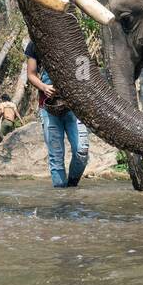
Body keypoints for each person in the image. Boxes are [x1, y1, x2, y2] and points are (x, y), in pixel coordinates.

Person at [24, 38, 89, 188]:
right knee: (56, 155)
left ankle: (72, 186)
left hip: (74, 107)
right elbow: (31, 74)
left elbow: (84, 75)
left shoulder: (74, 38)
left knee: (82, 151)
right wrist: (44, 87)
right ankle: (61, 195)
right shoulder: (35, 43)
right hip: (49, 107)